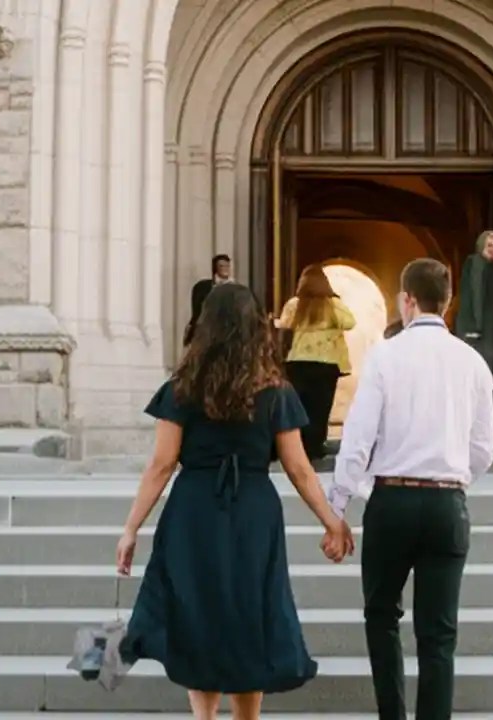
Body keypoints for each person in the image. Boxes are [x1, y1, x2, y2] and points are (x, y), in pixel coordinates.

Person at [116, 283, 354, 720]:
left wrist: (131, 528)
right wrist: (331, 520)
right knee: (250, 608)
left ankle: (204, 717)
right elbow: (299, 468)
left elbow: (161, 465)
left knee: (198, 608)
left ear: (205, 326)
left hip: (194, 509)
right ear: (255, 328)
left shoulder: (182, 389)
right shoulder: (275, 391)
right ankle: (247, 717)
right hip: (252, 510)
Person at [328, 258, 493, 720]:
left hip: (393, 500)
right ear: (448, 302)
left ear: (406, 300)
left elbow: (357, 439)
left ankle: (392, 715)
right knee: (439, 634)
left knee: (382, 616)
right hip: (446, 502)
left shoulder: (385, 356)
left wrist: (339, 505)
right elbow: (484, 449)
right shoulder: (472, 362)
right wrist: (452, 478)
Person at [274, 265, 357, 459]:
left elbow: (284, 323)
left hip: (298, 362)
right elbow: (350, 322)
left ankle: (299, 447)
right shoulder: (334, 304)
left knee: (300, 406)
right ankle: (316, 446)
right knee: (321, 407)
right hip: (327, 363)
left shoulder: (295, 304)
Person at [454, 231, 493, 407]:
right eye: (490, 245)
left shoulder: (486, 267)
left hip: (485, 331)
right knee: (490, 376)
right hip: (480, 333)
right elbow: (477, 295)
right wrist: (475, 329)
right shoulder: (478, 264)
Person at [183, 253, 233, 346]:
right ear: (215, 268)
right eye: (221, 266)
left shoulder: (236, 289)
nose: (225, 269)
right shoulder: (203, 287)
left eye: (227, 266)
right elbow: (197, 311)